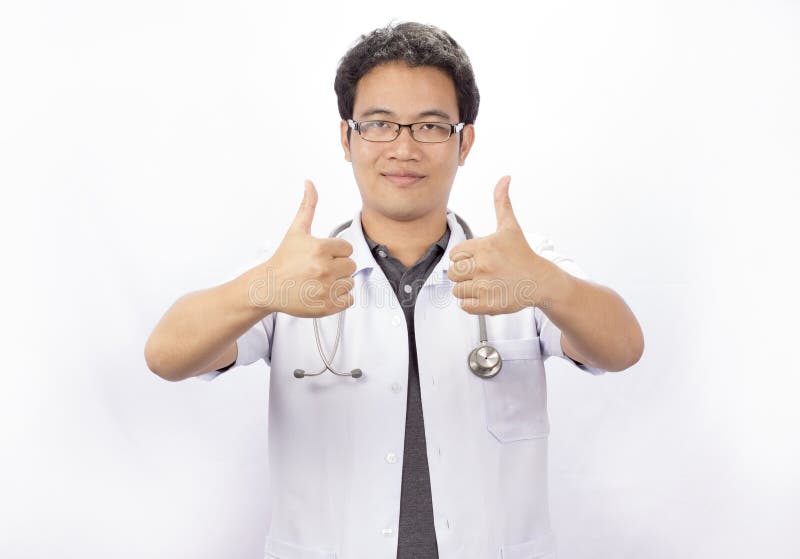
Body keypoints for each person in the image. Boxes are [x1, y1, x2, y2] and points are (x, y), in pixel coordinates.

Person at [145, 21, 644, 559]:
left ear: (464, 141)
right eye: (379, 124)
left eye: (430, 126)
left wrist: (546, 285)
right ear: (347, 138)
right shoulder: (294, 274)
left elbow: (622, 348)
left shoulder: (517, 269)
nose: (404, 148)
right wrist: (260, 290)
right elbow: (166, 356)